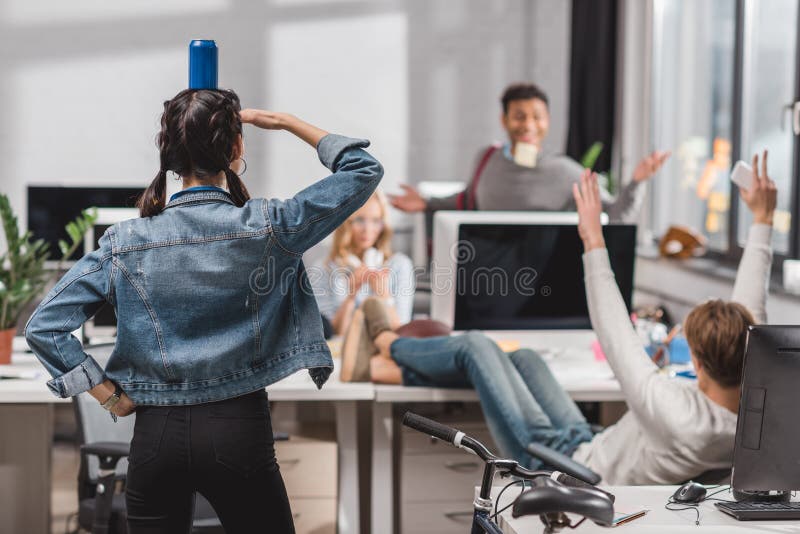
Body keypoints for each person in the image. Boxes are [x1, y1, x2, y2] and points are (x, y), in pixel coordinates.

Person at [24, 88, 383, 532]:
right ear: (235, 149)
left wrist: (111, 397)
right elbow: (363, 168)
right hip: (239, 430)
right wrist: (285, 121)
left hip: (156, 438)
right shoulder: (271, 224)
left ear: (169, 154)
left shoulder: (124, 243)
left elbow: (45, 327)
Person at [346, 150, 775, 485]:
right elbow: (752, 312)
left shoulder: (674, 411)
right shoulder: (755, 414)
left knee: (477, 345)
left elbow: (614, 329)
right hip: (588, 445)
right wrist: (762, 219)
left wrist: (591, 238)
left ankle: (387, 343)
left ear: (698, 363)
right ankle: (387, 371)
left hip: (560, 466)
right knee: (526, 358)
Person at [389, 83, 670, 223]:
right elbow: (468, 200)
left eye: (537, 117)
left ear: (548, 121)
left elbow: (616, 215)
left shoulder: (566, 171)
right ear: (504, 120)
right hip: (487, 275)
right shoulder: (487, 159)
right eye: (519, 116)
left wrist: (638, 181)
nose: (528, 125)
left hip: (541, 285)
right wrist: (426, 202)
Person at [312, 190, 415, 337]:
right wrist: (351, 296)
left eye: (376, 221)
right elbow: (333, 334)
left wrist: (383, 294)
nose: (368, 230)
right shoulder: (323, 268)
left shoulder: (400, 265)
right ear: (345, 223)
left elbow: (400, 332)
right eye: (359, 220)